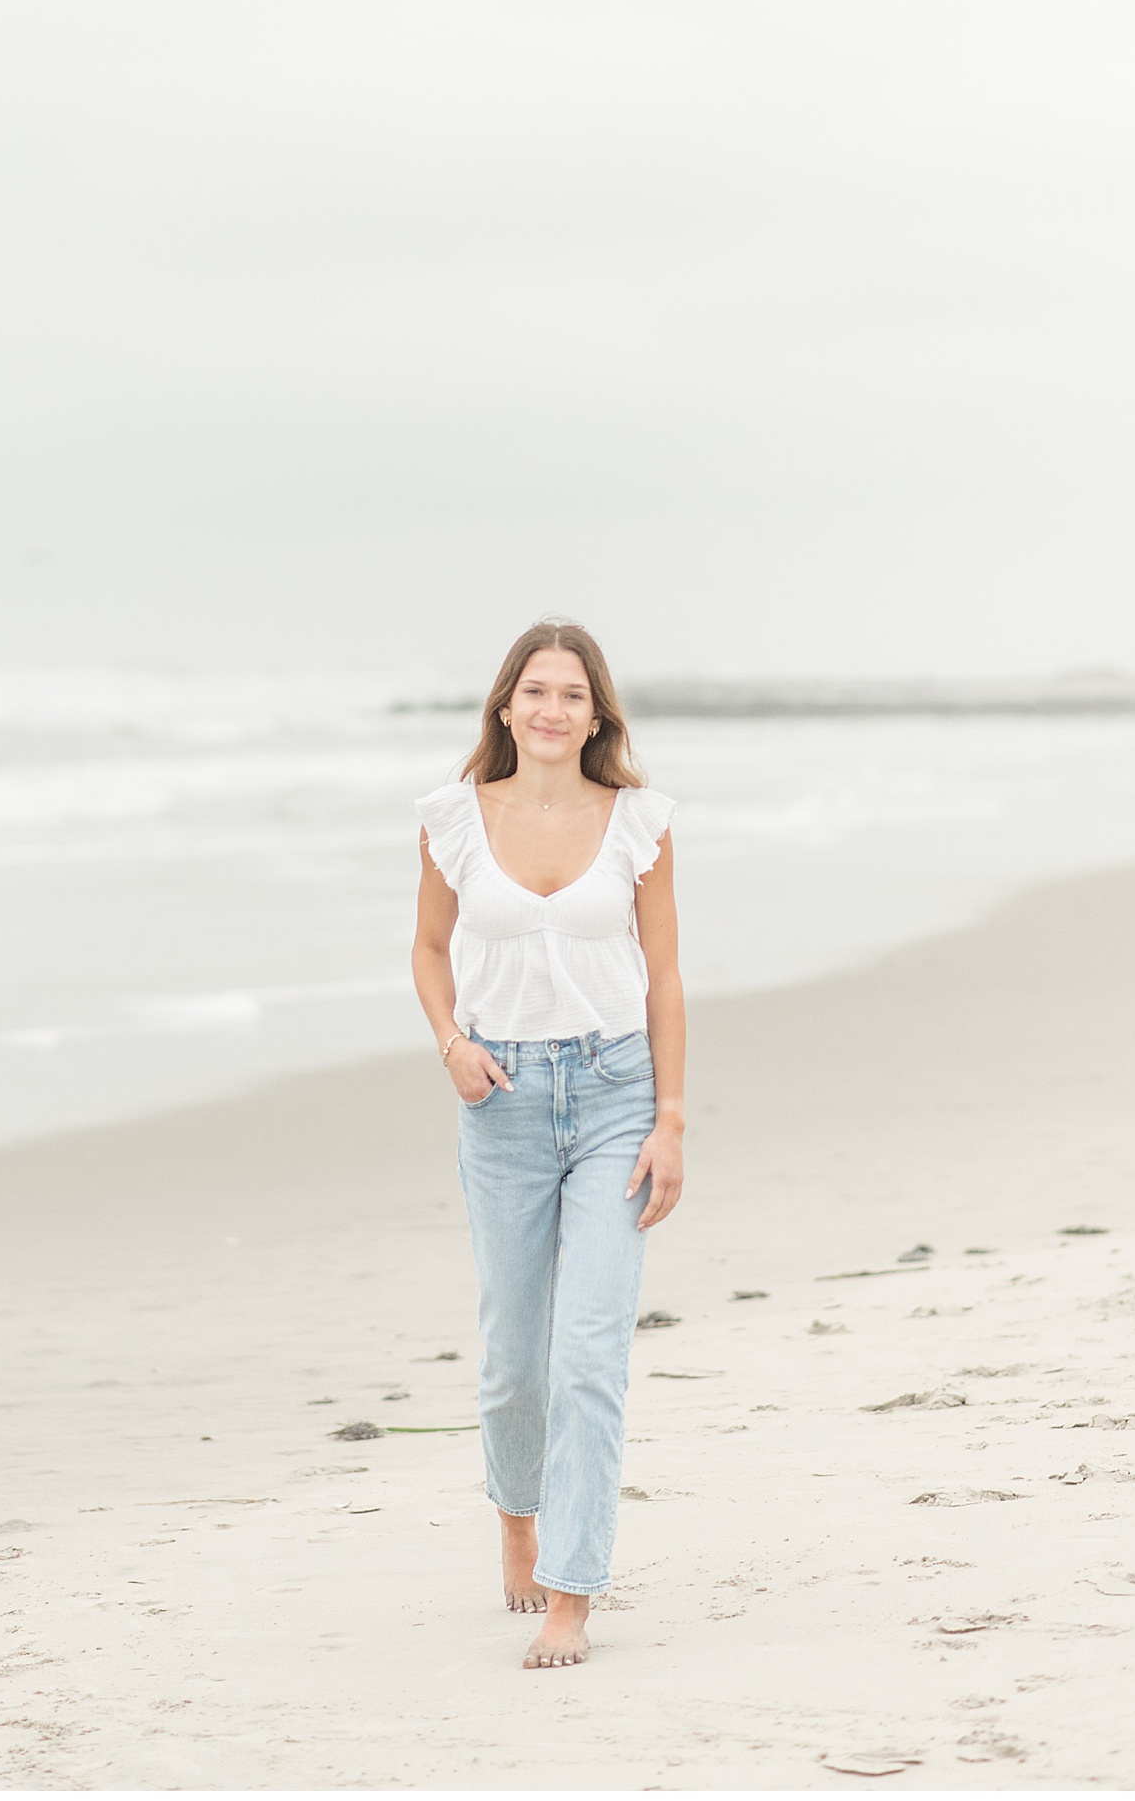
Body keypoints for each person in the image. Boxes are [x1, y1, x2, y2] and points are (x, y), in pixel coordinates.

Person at [411, 619, 685, 1670]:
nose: (553, 708)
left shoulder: (638, 824)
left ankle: (573, 1590)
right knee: (513, 1362)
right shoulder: (452, 818)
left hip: (616, 1092)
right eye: (536, 690)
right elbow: (430, 949)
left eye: (573, 693)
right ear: (505, 706)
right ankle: (516, 1520)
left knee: (587, 1358)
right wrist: (451, 1045)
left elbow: (664, 977)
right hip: (504, 1102)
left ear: (596, 712)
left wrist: (669, 1119)